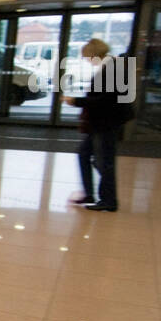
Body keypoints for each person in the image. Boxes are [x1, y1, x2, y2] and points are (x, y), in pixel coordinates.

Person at [65, 38, 122, 212]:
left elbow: (104, 101)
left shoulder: (111, 70)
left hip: (105, 123)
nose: (86, 60)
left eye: (86, 56)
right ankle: (90, 193)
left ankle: (108, 200)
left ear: (94, 54)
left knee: (103, 161)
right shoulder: (110, 68)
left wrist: (76, 101)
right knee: (85, 153)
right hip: (101, 123)